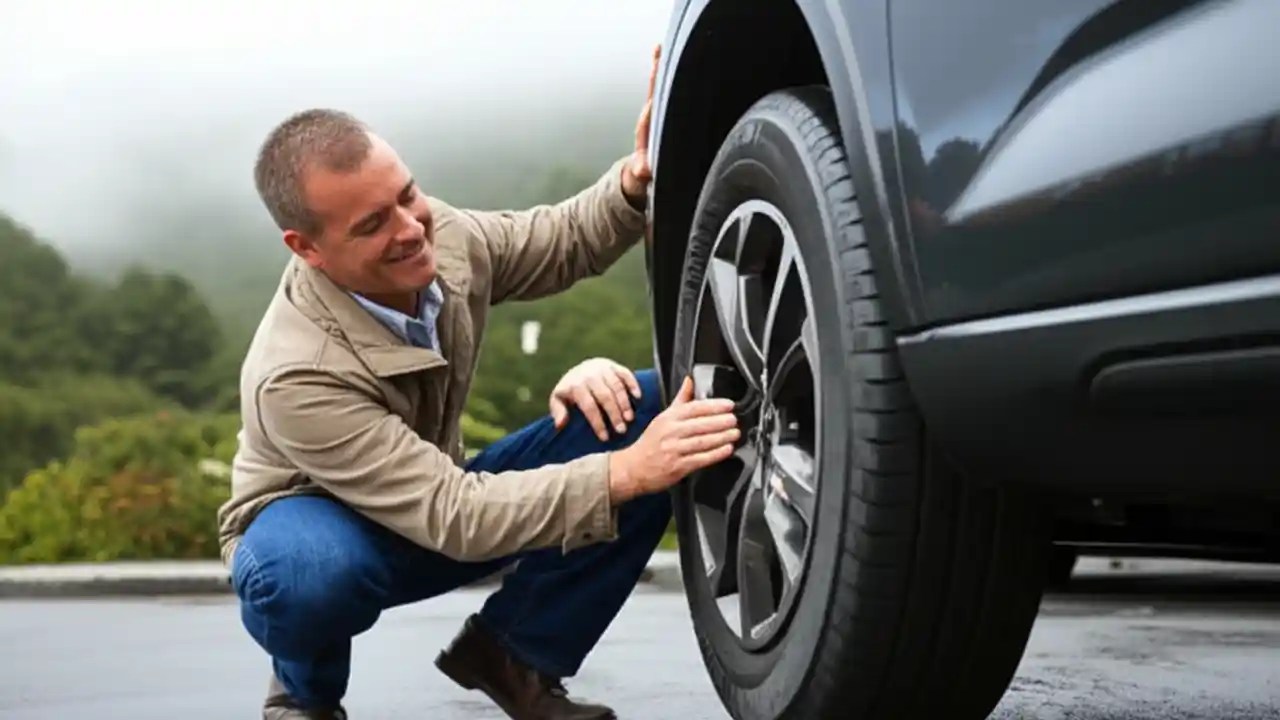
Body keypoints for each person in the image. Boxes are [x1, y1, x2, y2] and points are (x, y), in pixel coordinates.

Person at [215, 47, 741, 720]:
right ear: (307, 248)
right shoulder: (295, 373)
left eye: (406, 195)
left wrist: (635, 183)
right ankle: (303, 696)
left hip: (432, 495)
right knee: (309, 575)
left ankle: (516, 655)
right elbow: (454, 516)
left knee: (656, 414)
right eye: (373, 225)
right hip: (319, 525)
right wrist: (625, 474)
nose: (411, 230)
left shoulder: (443, 235)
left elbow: (563, 240)